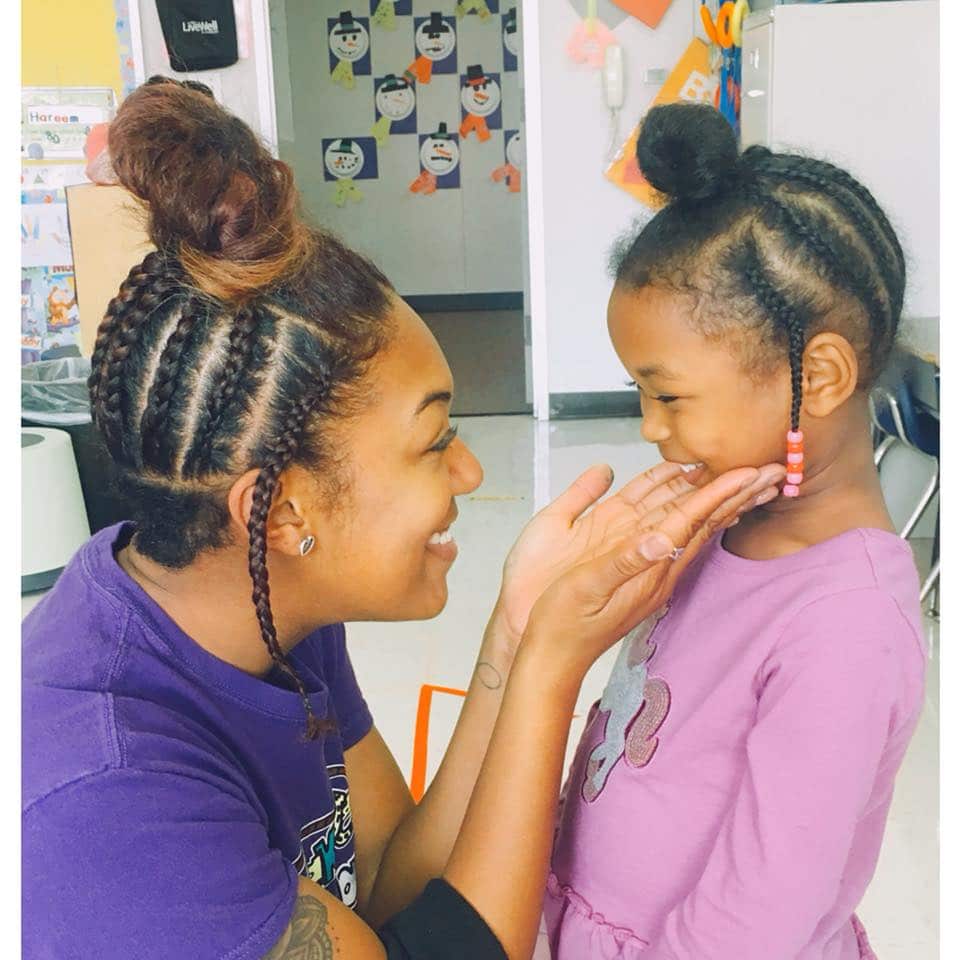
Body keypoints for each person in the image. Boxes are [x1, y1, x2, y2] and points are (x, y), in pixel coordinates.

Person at [21, 81, 785, 960]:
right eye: (433, 442)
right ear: (282, 508)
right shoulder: (107, 802)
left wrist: (516, 630)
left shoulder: (267, 607)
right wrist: (549, 672)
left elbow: (387, 876)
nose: (470, 470)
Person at [544, 103, 928, 960]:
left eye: (668, 395)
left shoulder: (848, 624)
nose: (649, 427)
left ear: (818, 376)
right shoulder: (725, 526)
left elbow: (756, 922)